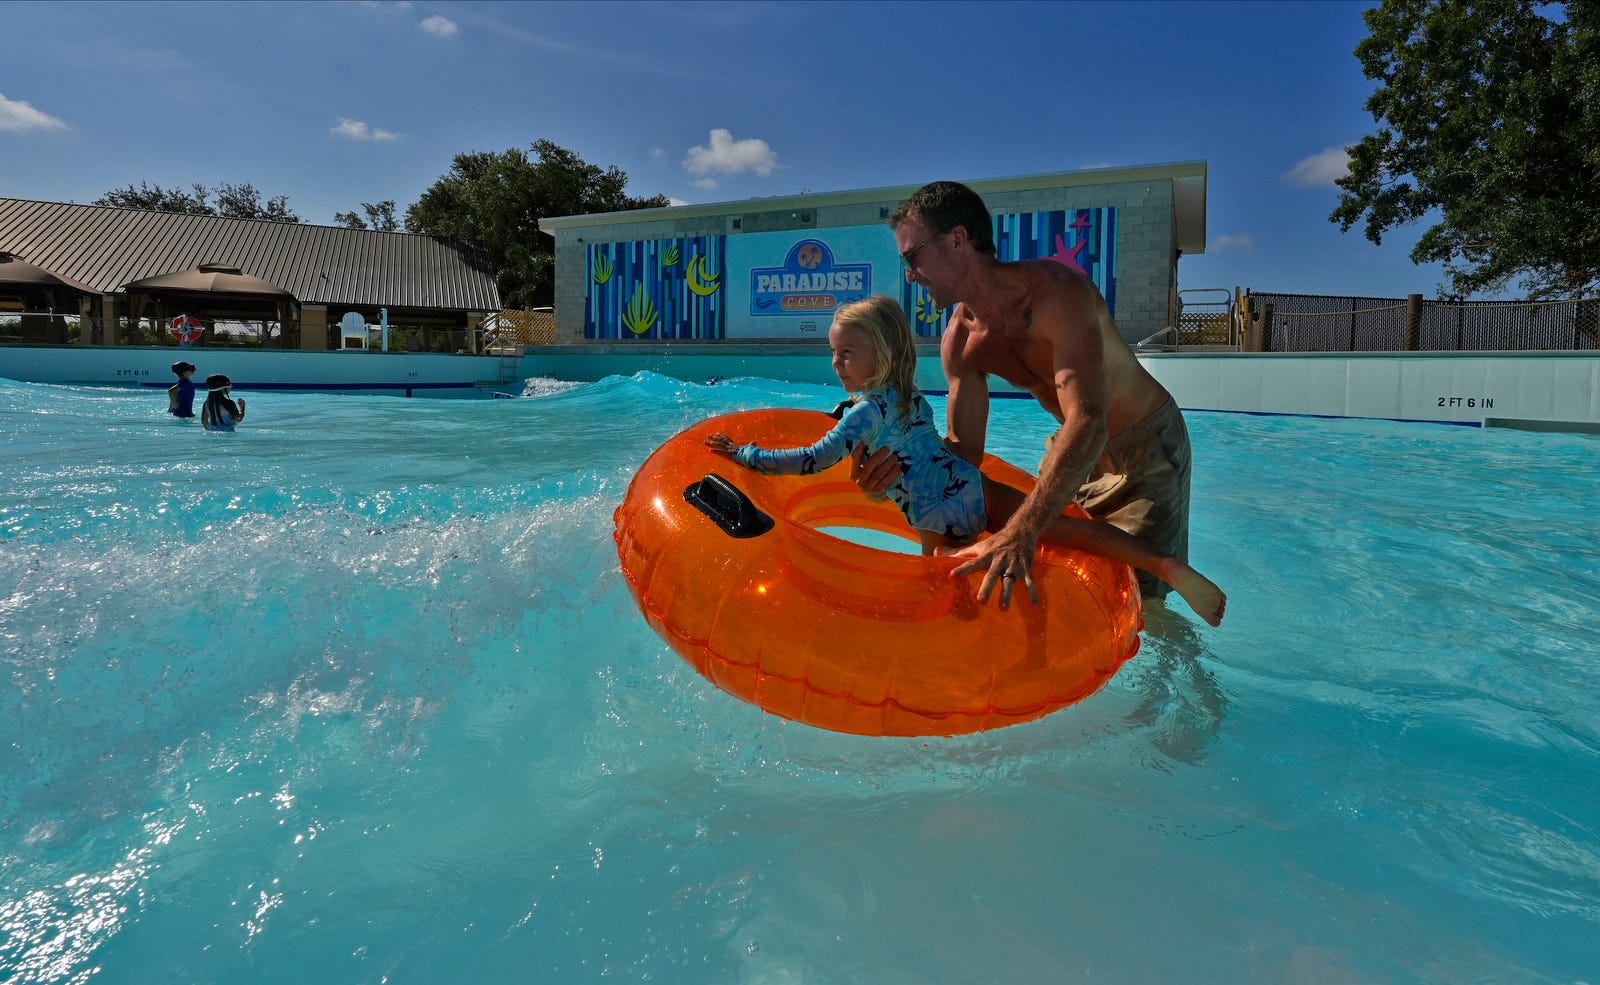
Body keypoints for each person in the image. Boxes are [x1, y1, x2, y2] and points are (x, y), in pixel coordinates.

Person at [706, 296, 1225, 625]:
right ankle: (1162, 563)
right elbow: (944, 452)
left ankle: (962, 641)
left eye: (846, 353)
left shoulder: (863, 414)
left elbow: (810, 460)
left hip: (936, 518)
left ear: (879, 356)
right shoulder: (911, 397)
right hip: (969, 486)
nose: (835, 362)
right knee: (1060, 527)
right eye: (834, 352)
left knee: (938, 596)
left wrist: (745, 455)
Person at [854, 180, 1196, 612]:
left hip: (1145, 448)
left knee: (1141, 602)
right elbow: (963, 454)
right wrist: (894, 472)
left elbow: (1090, 420)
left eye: (912, 256)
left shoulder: (1056, 293)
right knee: (1076, 580)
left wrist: (1021, 529)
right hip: (1074, 452)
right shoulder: (959, 342)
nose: (908, 274)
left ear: (957, 239)